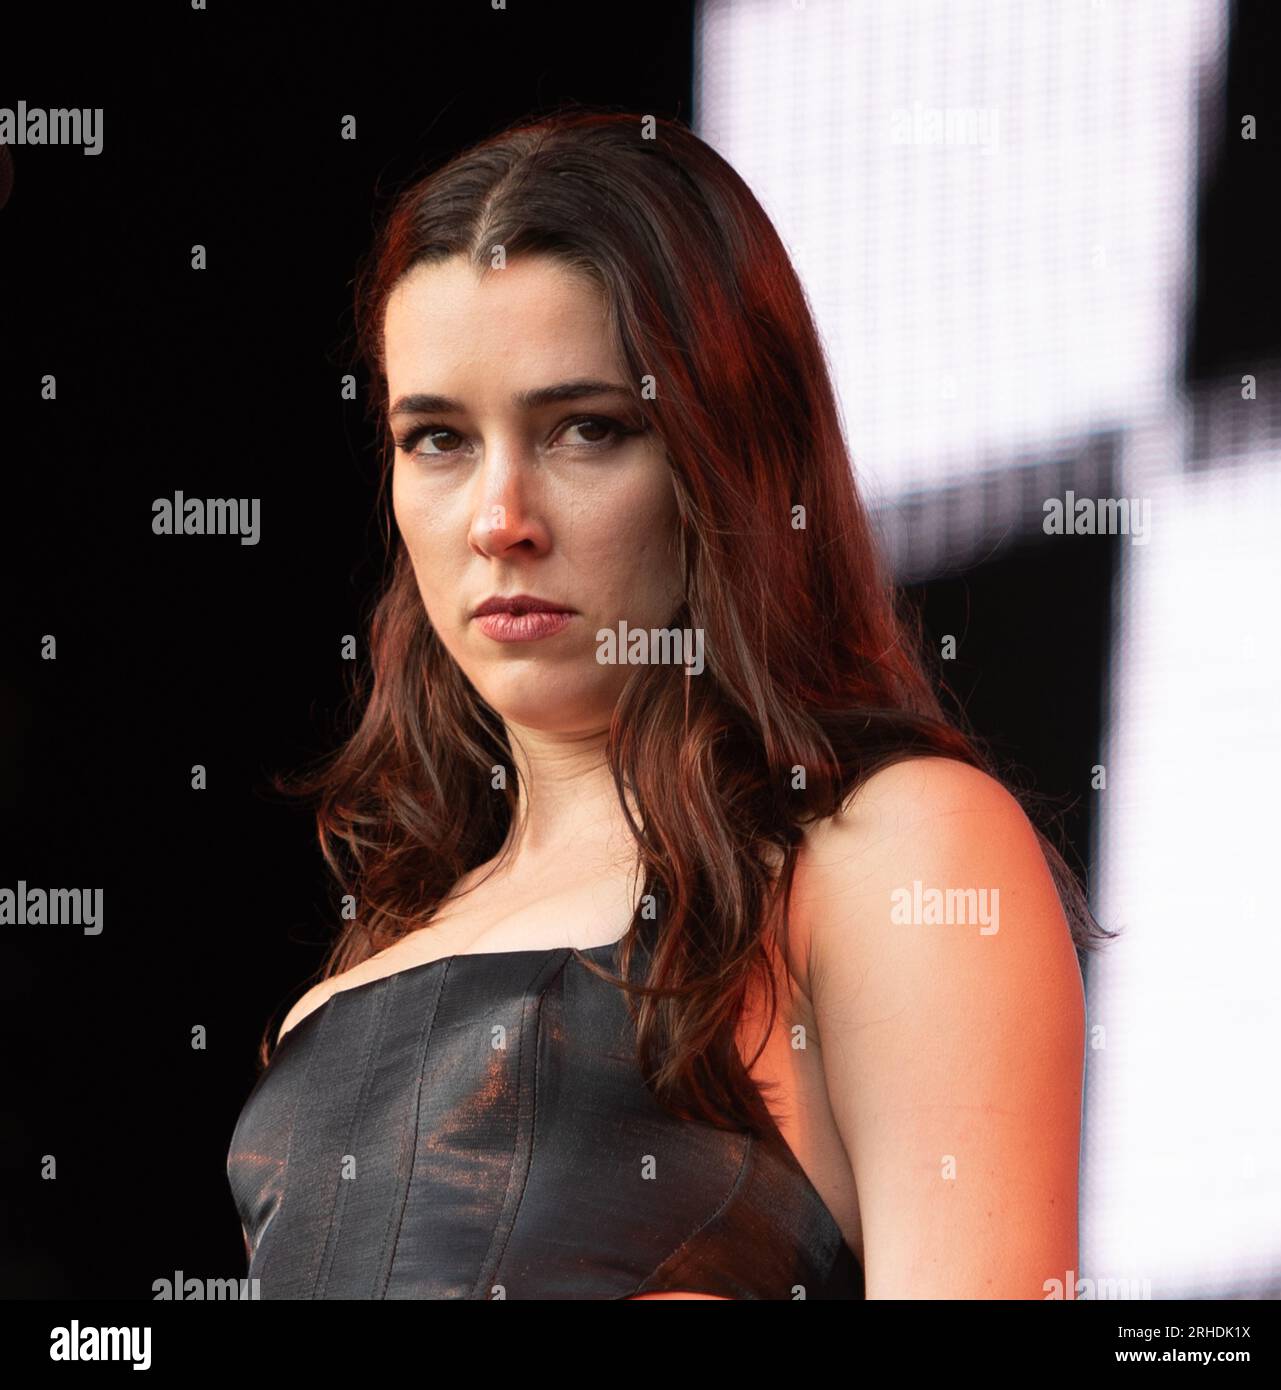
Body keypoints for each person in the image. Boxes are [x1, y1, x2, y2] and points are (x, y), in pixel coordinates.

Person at [226, 108, 1108, 1300]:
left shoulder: (890, 852)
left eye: (587, 429)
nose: (500, 518)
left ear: (724, 448)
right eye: (437, 439)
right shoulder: (335, 1005)